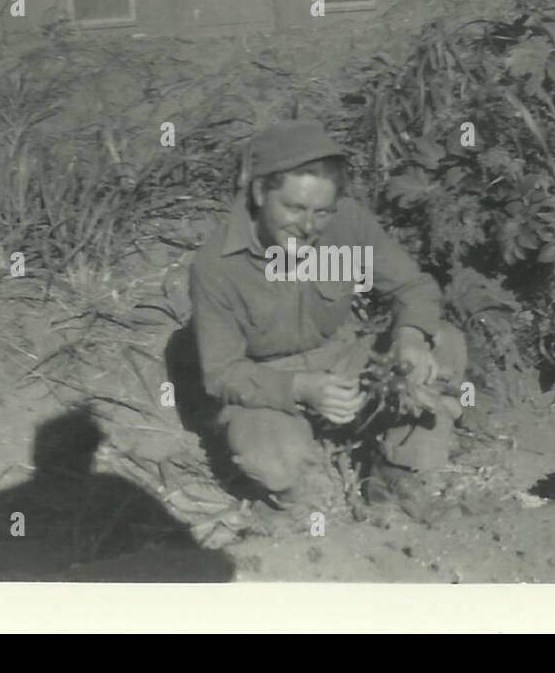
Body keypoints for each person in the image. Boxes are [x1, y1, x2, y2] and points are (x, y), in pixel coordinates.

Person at [187, 119, 467, 518]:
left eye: (321, 212)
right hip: (271, 383)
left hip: (343, 360)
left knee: (446, 344)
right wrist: (299, 388)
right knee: (270, 453)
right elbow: (221, 373)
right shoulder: (216, 265)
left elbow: (414, 287)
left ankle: (394, 474)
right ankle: (305, 491)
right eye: (294, 208)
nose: (307, 226)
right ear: (259, 191)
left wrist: (410, 338)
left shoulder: (347, 222)